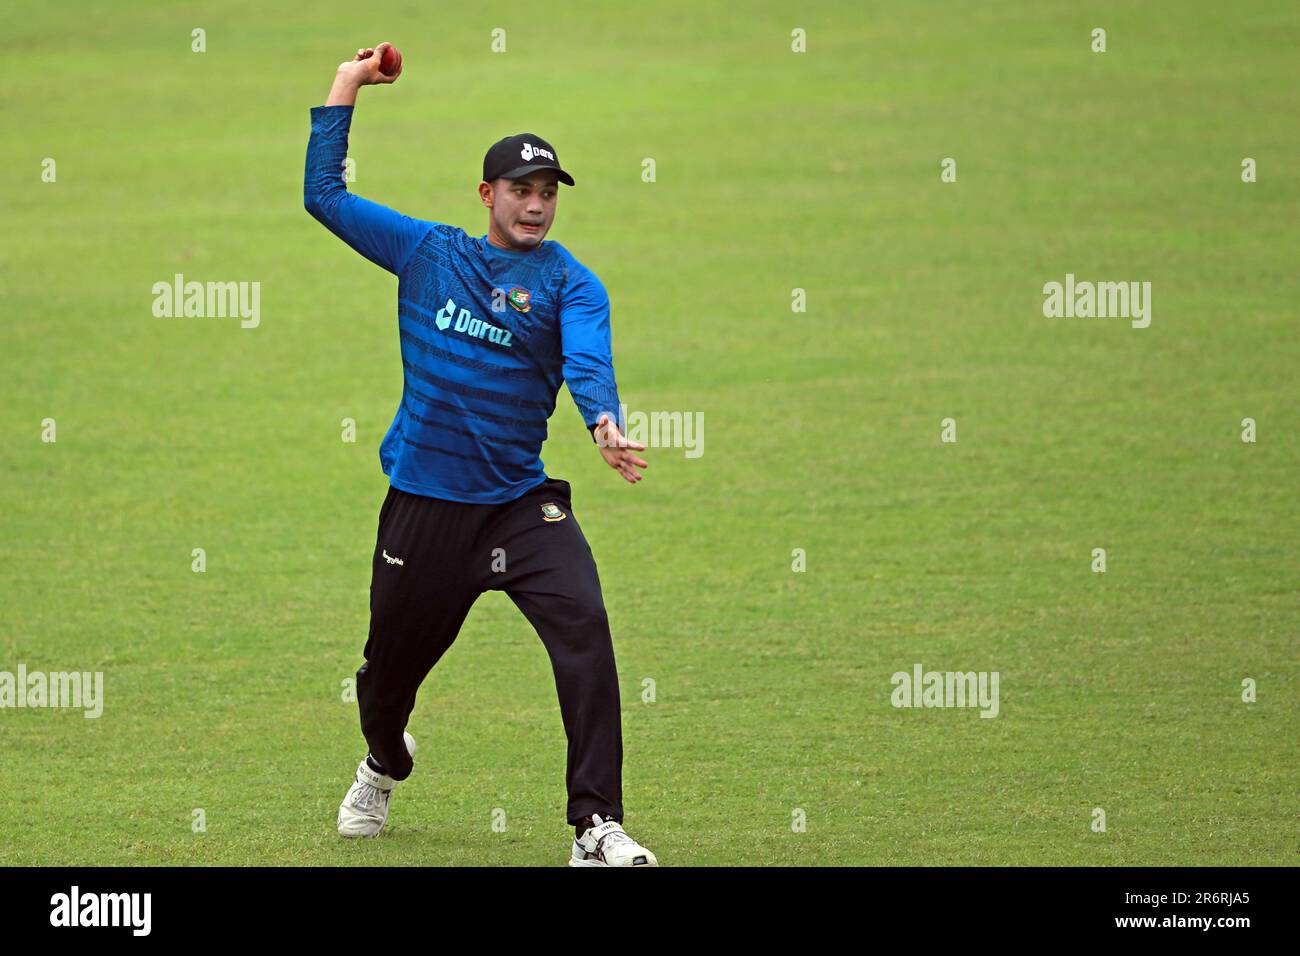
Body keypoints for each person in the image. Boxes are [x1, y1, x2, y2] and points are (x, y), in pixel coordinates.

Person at [303, 42, 656, 866]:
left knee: (587, 631)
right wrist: (348, 84)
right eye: (520, 191)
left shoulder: (572, 283)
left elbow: (587, 358)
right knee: (384, 683)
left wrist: (603, 418)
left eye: (546, 194)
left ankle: (595, 824)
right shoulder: (430, 255)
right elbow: (323, 196)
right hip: (425, 507)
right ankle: (385, 761)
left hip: (520, 505)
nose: (535, 206)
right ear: (487, 194)